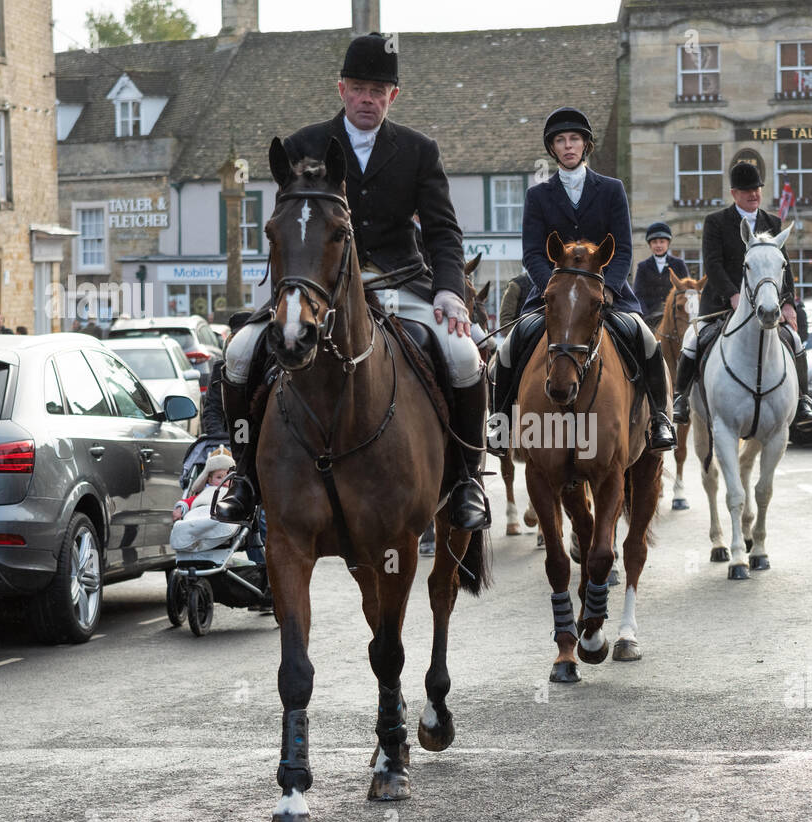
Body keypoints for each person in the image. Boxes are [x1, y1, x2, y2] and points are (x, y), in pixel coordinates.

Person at [219, 32, 490, 530]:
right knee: (238, 355)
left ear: (394, 96)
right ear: (341, 89)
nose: (369, 98)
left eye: (379, 90)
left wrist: (450, 290)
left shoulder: (418, 150)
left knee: (465, 355)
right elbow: (290, 227)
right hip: (318, 290)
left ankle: (469, 478)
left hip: (399, 283)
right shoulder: (303, 145)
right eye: (360, 88)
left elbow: (443, 230)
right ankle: (243, 476)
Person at [489, 106, 676, 451]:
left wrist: (607, 288)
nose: (568, 145)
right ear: (552, 149)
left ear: (586, 145)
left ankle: (661, 419)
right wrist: (555, 289)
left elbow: (621, 250)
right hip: (554, 296)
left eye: (574, 139)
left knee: (647, 341)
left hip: (606, 293)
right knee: (509, 347)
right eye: (560, 141)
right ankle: (500, 424)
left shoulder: (611, 189)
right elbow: (532, 252)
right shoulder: (538, 196)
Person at [670, 162, 812, 427]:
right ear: (734, 193)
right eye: (747, 190)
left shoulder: (772, 221)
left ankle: (803, 399)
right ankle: (680, 398)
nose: (753, 194)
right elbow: (713, 264)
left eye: (757, 189)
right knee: (693, 339)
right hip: (722, 304)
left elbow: (783, 267)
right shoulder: (716, 222)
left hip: (764, 305)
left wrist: (788, 303)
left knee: (794, 340)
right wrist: (732, 294)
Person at [632, 222, 689, 330]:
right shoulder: (643, 266)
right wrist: (645, 315)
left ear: (668, 243)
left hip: (675, 314)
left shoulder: (679, 264)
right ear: (650, 245)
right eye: (654, 242)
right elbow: (638, 294)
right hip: (650, 315)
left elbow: (686, 290)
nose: (658, 245)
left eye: (662, 242)